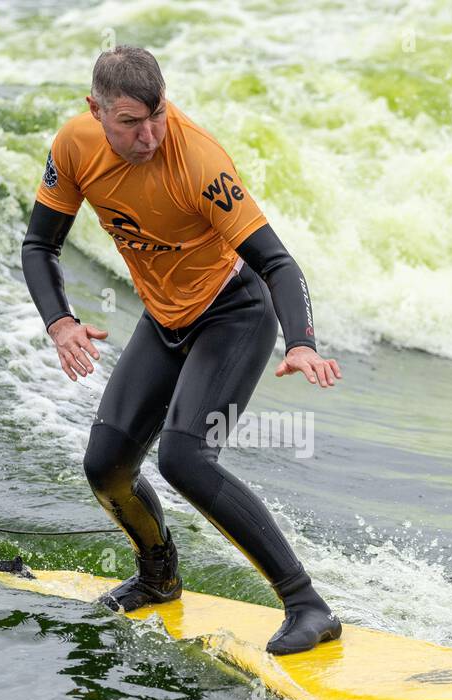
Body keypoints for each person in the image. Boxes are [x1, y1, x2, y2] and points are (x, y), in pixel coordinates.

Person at [21, 45, 342, 655]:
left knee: (185, 459)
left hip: (235, 313)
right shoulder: (74, 146)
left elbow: (277, 262)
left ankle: (308, 606)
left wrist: (302, 342)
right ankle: (158, 577)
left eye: (156, 115)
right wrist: (60, 321)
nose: (147, 136)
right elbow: (39, 246)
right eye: (128, 123)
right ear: (96, 110)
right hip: (167, 317)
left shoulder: (197, 161)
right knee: (106, 465)